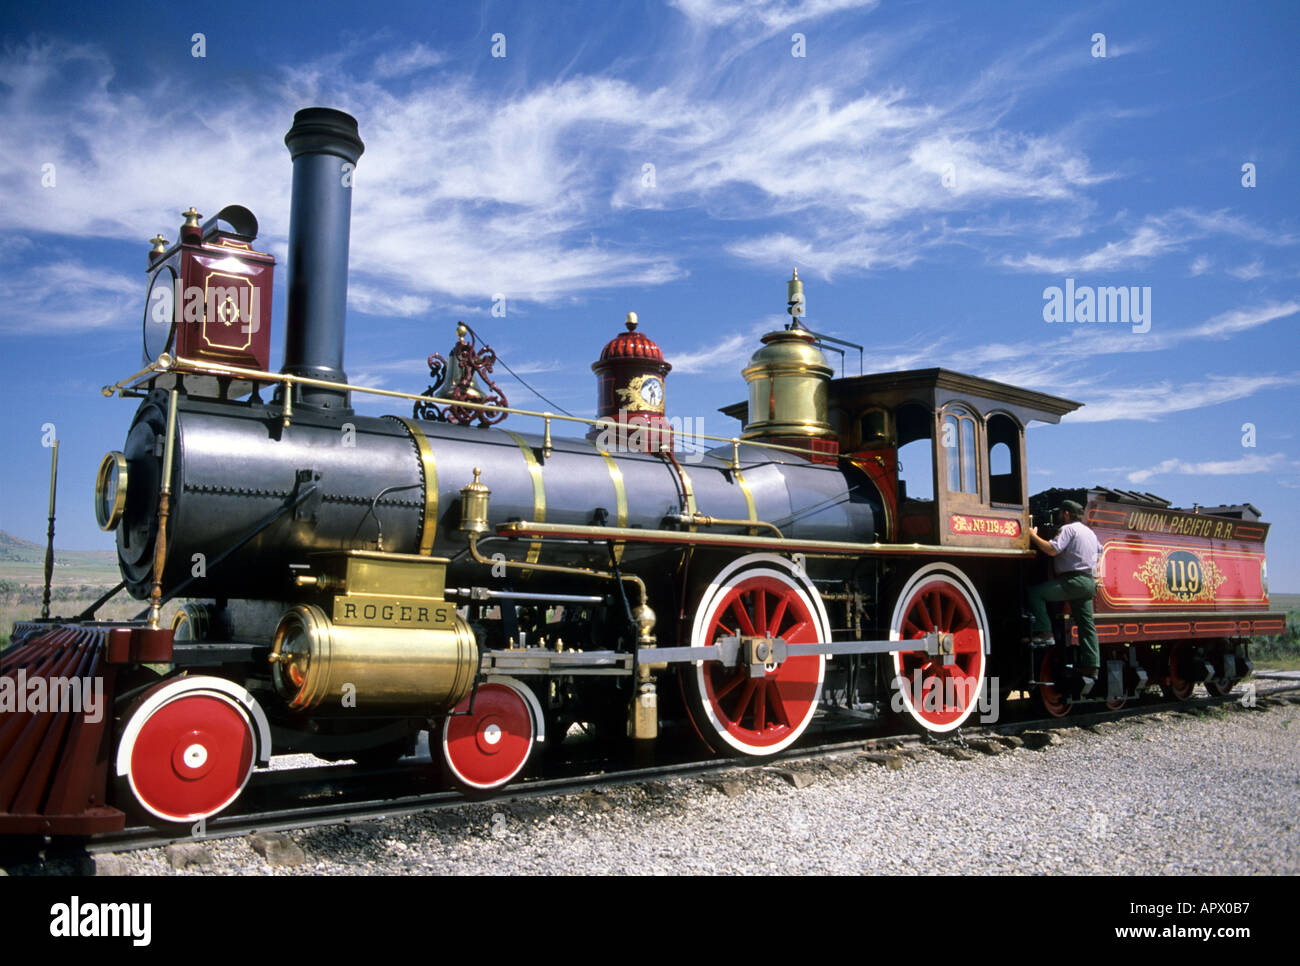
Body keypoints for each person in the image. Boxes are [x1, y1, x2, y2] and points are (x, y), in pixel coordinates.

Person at [1027, 499, 1101, 696]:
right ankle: (1092, 666)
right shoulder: (1090, 533)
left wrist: (1032, 536)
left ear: (1067, 514)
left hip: (1073, 581)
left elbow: (1052, 550)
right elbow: (1100, 552)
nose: (1059, 517)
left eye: (1060, 513)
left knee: (1035, 593)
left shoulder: (1068, 529)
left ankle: (1044, 632)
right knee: (1087, 626)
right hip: (1088, 582)